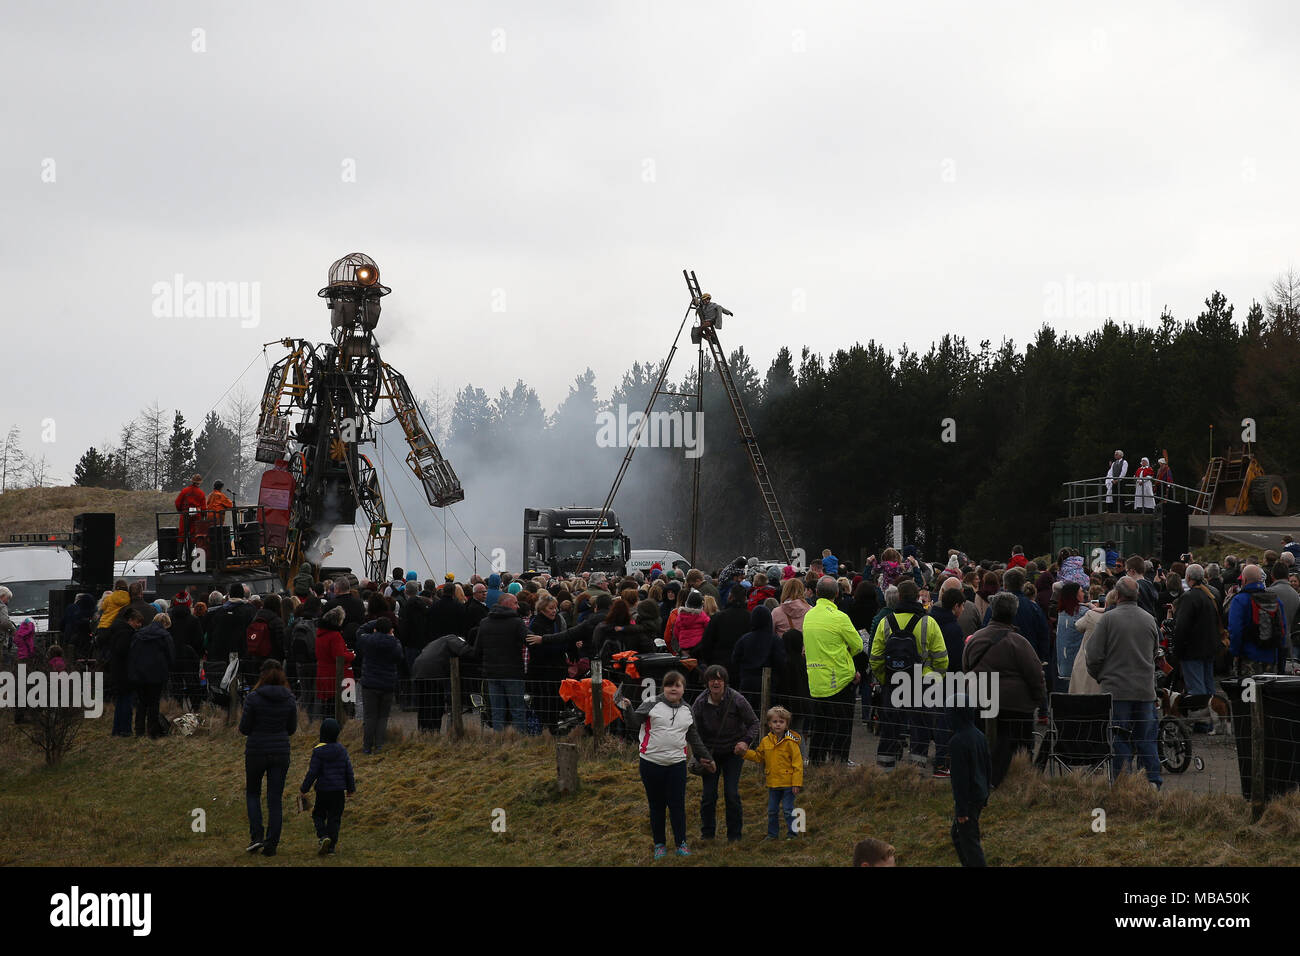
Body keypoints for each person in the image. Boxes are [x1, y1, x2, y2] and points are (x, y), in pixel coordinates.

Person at [617, 670, 714, 859]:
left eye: (677, 685)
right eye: (670, 685)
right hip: (651, 763)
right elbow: (634, 723)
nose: (673, 689)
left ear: (683, 689)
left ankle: (681, 843)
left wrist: (707, 758)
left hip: (676, 765)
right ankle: (659, 844)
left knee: (677, 805)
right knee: (657, 806)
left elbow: (693, 737)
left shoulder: (687, 710)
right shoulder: (652, 703)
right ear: (664, 687)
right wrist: (627, 708)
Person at [1085, 576, 1162, 788]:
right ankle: (1152, 782)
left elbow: (1092, 655)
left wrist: (1102, 676)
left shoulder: (1108, 620)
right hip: (1145, 691)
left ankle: (1121, 782)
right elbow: (1154, 652)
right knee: (1146, 740)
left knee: (1119, 739)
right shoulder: (1149, 619)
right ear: (1137, 595)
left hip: (1117, 691)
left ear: (1117, 595)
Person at [963, 592, 1046, 787]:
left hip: (981, 701)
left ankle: (984, 779)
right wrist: (1036, 699)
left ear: (992, 611)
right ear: (1013, 614)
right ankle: (1013, 780)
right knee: (1017, 747)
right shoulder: (1019, 642)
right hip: (1015, 706)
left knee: (985, 745)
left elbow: (966, 668)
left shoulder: (975, 640)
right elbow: (1036, 675)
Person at [869, 579, 949, 770]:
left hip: (893, 681)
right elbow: (942, 659)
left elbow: (874, 658)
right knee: (920, 728)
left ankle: (886, 769)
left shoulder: (885, 622)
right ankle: (916, 771)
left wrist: (885, 679)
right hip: (922, 683)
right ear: (918, 597)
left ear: (899, 597)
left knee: (890, 728)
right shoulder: (929, 623)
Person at [691, 665, 760, 843]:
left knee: (732, 794)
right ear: (707, 682)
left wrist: (745, 742)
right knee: (708, 796)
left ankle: (735, 836)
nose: (716, 682)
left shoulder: (737, 699)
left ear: (725, 682)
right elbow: (692, 732)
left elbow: (754, 723)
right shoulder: (699, 703)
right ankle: (707, 835)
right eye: (712, 679)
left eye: (719, 679)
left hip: (732, 753)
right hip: (709, 754)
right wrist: (701, 756)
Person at [240, 659, 299, 856]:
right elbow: (291, 729)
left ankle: (256, 836)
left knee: (253, 793)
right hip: (281, 751)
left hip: (256, 750)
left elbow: (244, 728)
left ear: (262, 675)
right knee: (275, 799)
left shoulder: (253, 698)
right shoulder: (289, 698)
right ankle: (272, 843)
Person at [803, 575, 865, 765]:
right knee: (842, 725)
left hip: (815, 679)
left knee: (820, 725)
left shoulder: (809, 615)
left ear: (816, 593)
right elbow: (858, 645)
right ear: (837, 594)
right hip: (839, 679)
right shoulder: (839, 617)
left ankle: (816, 761)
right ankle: (839, 762)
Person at [743, 705, 803, 840]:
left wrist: (796, 783)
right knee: (772, 811)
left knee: (788, 810)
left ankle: (793, 834)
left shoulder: (791, 743)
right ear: (769, 724)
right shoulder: (765, 741)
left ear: (786, 724)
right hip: (773, 782)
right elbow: (759, 757)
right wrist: (744, 753)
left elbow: (798, 764)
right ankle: (772, 834)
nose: (778, 725)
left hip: (788, 783)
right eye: (775, 722)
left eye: (781, 722)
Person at [299, 717, 356, 855]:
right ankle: (331, 847)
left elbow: (313, 772)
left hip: (323, 791)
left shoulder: (318, 751)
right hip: (338, 792)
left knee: (318, 814)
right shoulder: (342, 750)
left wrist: (304, 789)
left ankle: (323, 836)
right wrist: (350, 788)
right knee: (334, 818)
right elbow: (348, 770)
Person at [474, 592, 529, 732]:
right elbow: (530, 640)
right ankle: (520, 741)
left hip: (492, 673)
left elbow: (477, 649)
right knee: (517, 710)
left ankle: (499, 741)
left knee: (497, 711)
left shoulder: (485, 622)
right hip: (513, 673)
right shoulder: (517, 622)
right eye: (515, 603)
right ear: (507, 604)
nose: (518, 606)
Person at [948, 693, 990, 867]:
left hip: (968, 799)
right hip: (980, 794)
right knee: (958, 834)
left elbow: (960, 780)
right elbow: (988, 767)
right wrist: (986, 793)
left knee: (969, 842)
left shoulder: (957, 742)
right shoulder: (980, 736)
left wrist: (961, 810)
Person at [1228, 564, 1287, 676]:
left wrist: (1235, 653)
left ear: (1244, 580)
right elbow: (1282, 630)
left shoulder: (1239, 600)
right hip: (1271, 657)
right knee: (1268, 692)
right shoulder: (1275, 601)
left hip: (1248, 658)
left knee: (1246, 693)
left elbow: (1235, 630)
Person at [356, 617, 403, 754]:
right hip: (387, 684)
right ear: (391, 630)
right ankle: (379, 745)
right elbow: (399, 657)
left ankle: (366, 746)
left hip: (370, 683)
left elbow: (360, 631)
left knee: (370, 716)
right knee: (382, 717)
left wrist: (375, 622)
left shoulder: (368, 640)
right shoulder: (395, 643)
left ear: (375, 629)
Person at [731, 605, 788, 714]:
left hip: (747, 684)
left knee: (747, 716)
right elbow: (781, 662)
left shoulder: (744, 639)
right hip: (768, 686)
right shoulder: (775, 640)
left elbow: (734, 660)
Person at [128, 611, 174, 738]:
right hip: (156, 675)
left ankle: (139, 731)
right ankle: (152, 732)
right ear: (165, 624)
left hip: (139, 674)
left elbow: (131, 653)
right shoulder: (165, 636)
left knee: (141, 703)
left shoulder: (139, 634)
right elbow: (171, 656)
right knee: (154, 703)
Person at [411, 633, 471, 732]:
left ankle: (423, 732)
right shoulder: (452, 639)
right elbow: (465, 651)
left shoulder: (435, 642)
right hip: (433, 673)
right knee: (435, 704)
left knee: (423, 705)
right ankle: (433, 731)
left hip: (418, 671)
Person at [314, 606, 355, 721]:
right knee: (346, 707)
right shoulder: (335, 636)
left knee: (328, 708)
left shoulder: (320, 634)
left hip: (324, 674)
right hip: (340, 676)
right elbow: (339, 656)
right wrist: (352, 655)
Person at [109, 609, 145, 737]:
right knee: (126, 702)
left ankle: (117, 729)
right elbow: (123, 651)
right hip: (125, 672)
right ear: (130, 620)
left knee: (120, 701)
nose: (139, 625)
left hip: (118, 671)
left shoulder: (117, 630)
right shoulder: (127, 633)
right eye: (137, 622)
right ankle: (125, 729)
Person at [174, 473, 209, 559]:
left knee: (182, 534)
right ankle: (189, 556)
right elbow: (204, 507)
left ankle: (179, 557)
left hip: (185, 514)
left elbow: (177, 502)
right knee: (193, 535)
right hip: (196, 515)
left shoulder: (185, 491)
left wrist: (180, 511)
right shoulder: (201, 493)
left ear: (192, 481)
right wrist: (204, 515)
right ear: (199, 483)